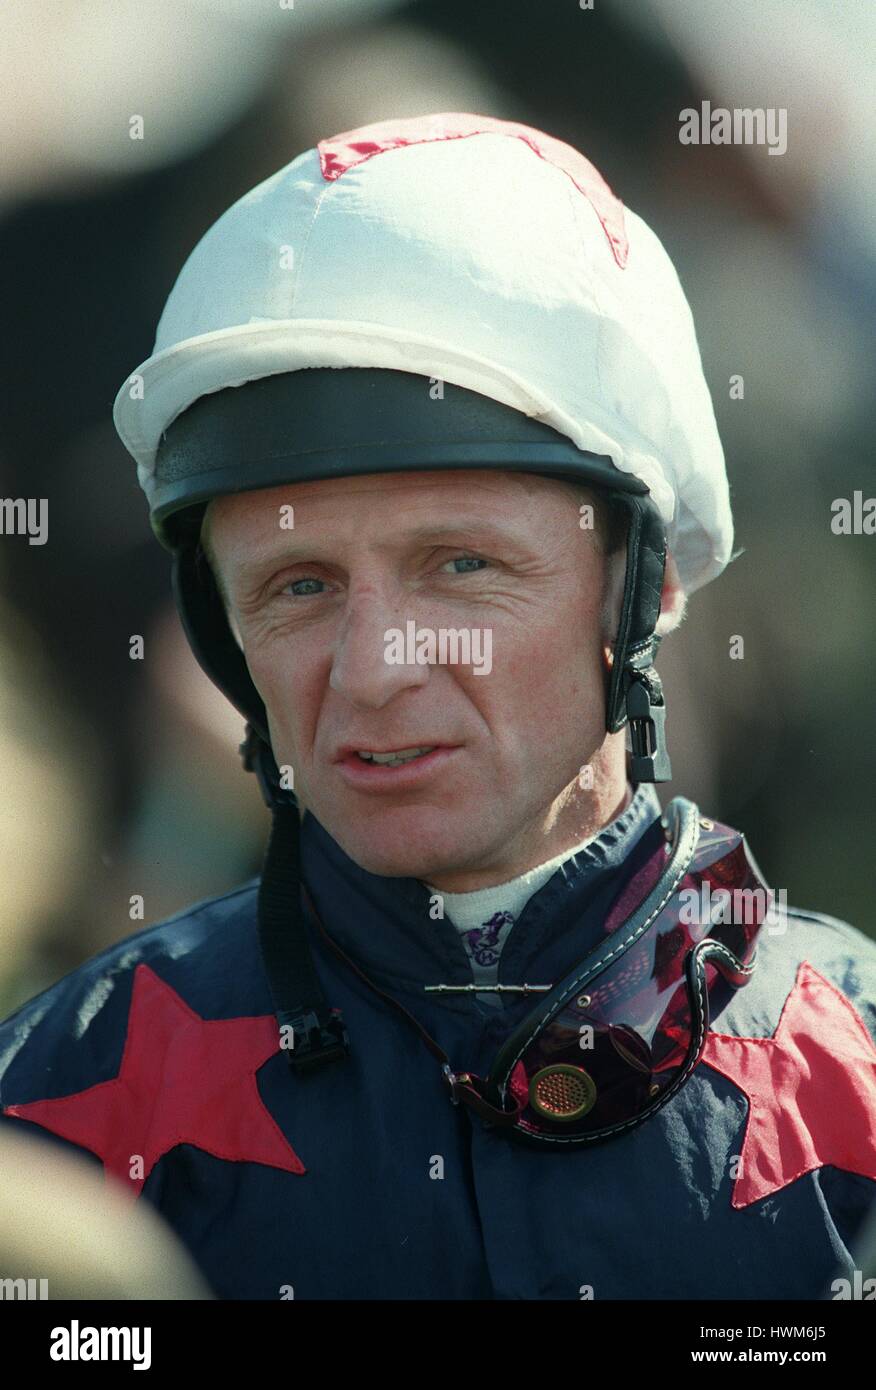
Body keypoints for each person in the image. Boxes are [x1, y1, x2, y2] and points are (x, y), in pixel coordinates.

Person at [1, 113, 874, 1301]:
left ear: (648, 582)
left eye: (460, 564)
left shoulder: (858, 1080)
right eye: (298, 586)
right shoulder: (55, 1106)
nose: (370, 670)